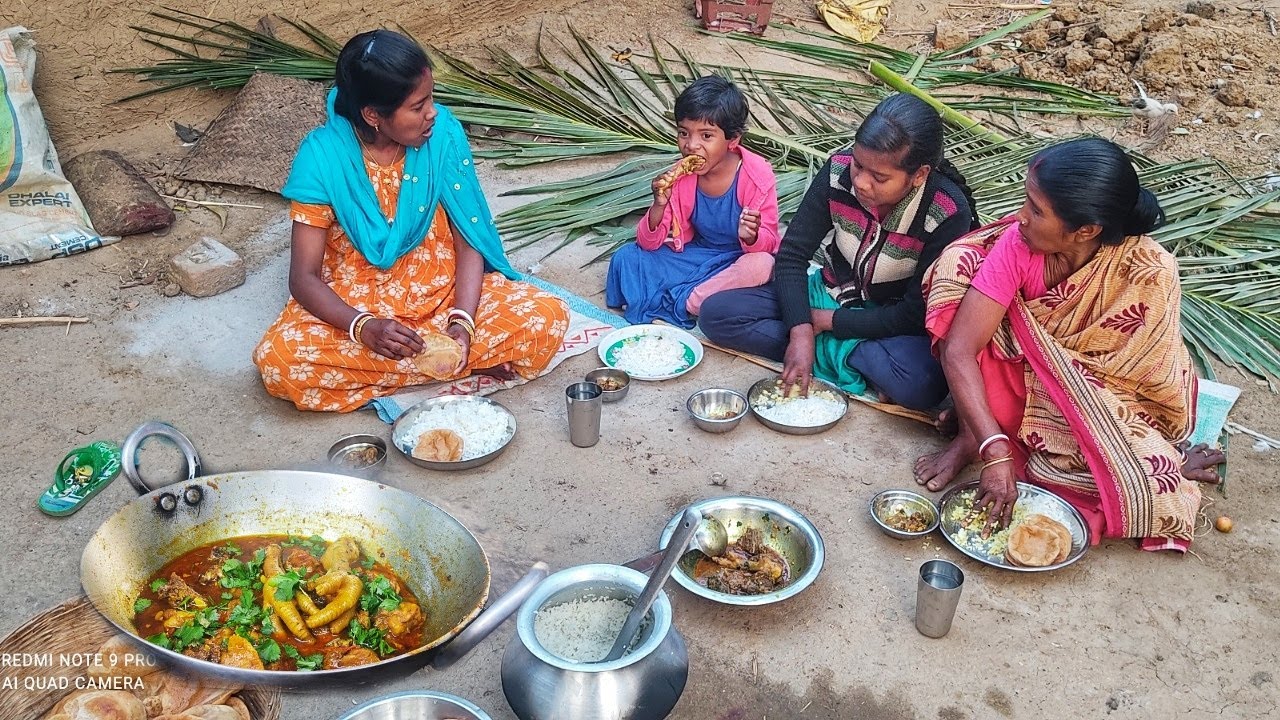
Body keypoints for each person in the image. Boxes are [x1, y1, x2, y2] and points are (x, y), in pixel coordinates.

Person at [914, 137, 1224, 552]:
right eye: (1026, 200)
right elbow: (960, 350)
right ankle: (975, 433)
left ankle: (989, 429)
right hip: (1022, 380)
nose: (1019, 218)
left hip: (1099, 399)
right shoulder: (1018, 244)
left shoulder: (1148, 271)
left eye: (1036, 210)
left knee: (1139, 482)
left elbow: (1145, 378)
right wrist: (994, 450)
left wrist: (1157, 454)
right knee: (959, 273)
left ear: (1086, 231)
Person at [254, 30, 569, 412]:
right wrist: (364, 327)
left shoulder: (443, 134)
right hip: (358, 305)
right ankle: (450, 367)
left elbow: (467, 237)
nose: (432, 112)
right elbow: (303, 277)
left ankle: (418, 367)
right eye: (418, 107)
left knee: (547, 317)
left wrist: (463, 321)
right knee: (281, 362)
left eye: (431, 98)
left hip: (443, 296)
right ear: (373, 115)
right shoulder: (322, 157)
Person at [699, 93, 978, 409]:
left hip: (886, 321)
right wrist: (802, 329)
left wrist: (826, 322)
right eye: (858, 165)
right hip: (828, 292)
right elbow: (792, 256)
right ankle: (845, 358)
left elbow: (915, 313)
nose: (860, 182)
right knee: (717, 314)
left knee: (924, 384)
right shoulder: (837, 171)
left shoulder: (947, 212)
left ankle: (819, 350)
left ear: (920, 175)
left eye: (879, 177)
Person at [605, 76, 780, 328]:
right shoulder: (681, 175)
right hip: (696, 255)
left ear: (733, 140)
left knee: (762, 265)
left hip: (736, 259)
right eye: (684, 133)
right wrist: (659, 205)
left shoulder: (756, 175)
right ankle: (695, 299)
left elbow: (769, 242)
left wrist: (751, 236)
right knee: (626, 258)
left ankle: (689, 301)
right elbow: (647, 243)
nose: (691, 146)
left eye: (706, 136)